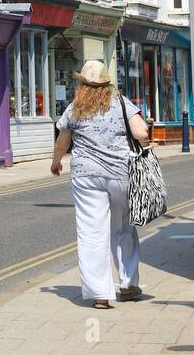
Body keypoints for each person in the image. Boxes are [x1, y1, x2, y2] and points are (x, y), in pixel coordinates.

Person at [50, 59, 151, 309]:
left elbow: (62, 143)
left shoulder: (75, 108)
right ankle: (127, 285)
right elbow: (141, 133)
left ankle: (100, 294)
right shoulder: (120, 103)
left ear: (82, 84)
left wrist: (56, 163)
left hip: (86, 176)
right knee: (123, 229)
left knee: (92, 232)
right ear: (107, 84)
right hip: (120, 173)